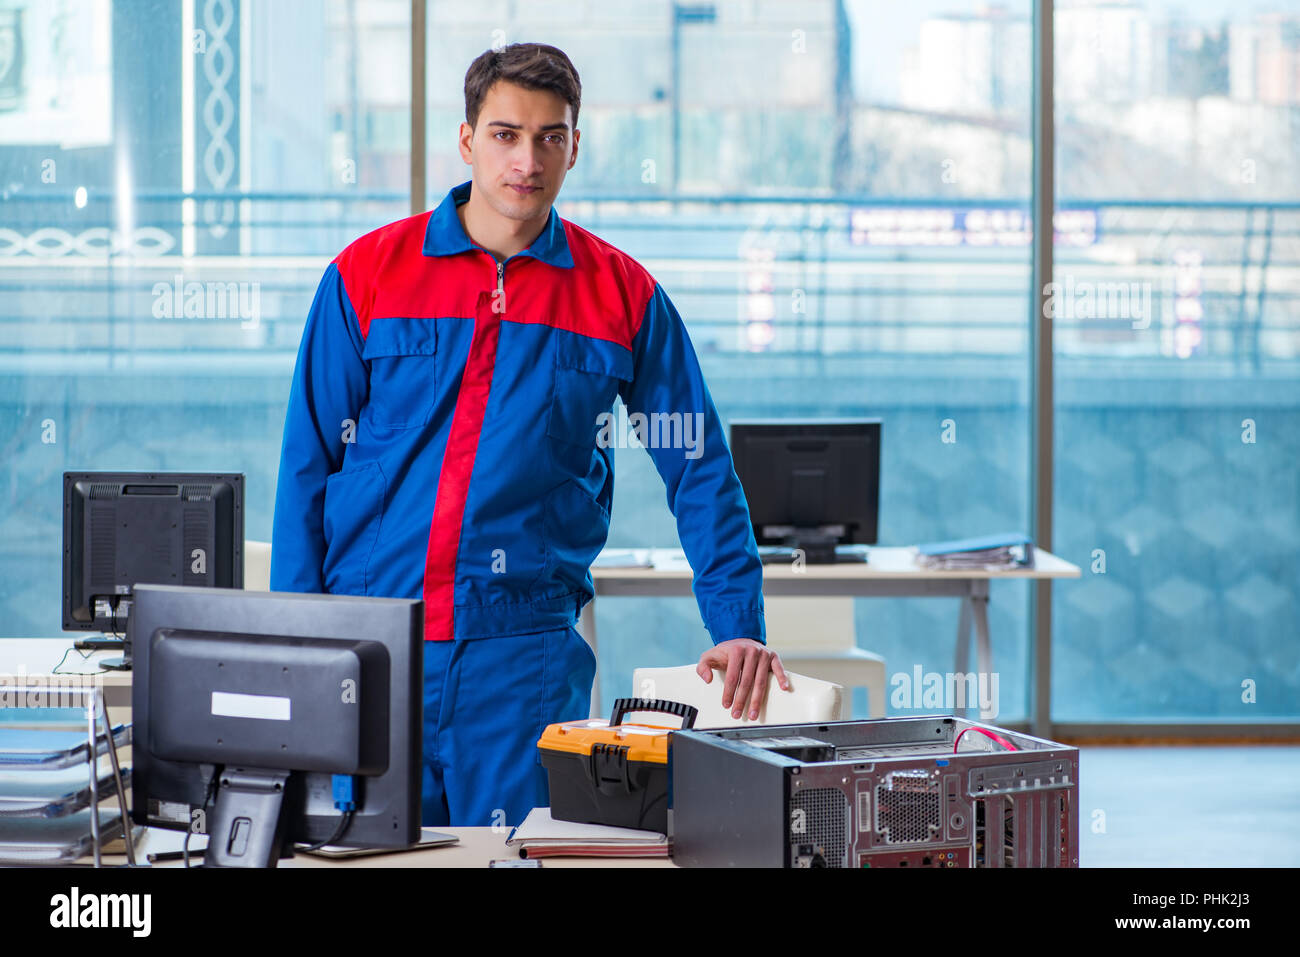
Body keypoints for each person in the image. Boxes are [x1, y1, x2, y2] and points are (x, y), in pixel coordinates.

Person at [270, 42, 785, 827]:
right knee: (359, 851)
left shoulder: (623, 296)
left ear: (575, 147)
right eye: (507, 133)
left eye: (551, 136)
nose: (528, 158)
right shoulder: (368, 276)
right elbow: (308, 464)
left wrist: (738, 627)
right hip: (372, 648)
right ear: (468, 139)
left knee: (517, 853)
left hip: (522, 661)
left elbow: (699, 467)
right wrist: (300, 643)